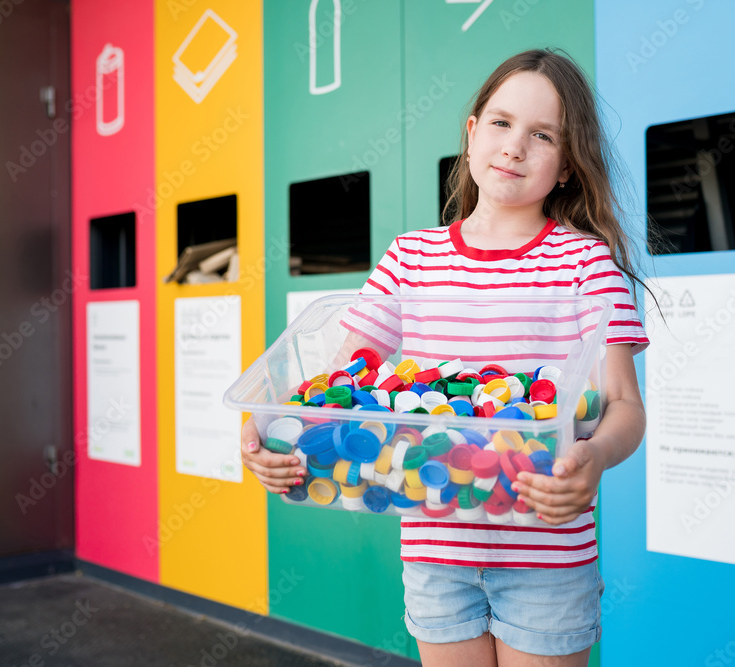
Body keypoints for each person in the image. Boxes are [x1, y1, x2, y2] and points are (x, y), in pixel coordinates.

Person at [240, 48, 650, 666]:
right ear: (472, 133)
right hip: (435, 547)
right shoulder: (411, 258)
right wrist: (269, 425)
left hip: (546, 552)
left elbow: (622, 404)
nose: (514, 147)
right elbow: (336, 385)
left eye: (543, 135)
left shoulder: (584, 263)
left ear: (567, 165)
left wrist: (594, 455)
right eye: (501, 123)